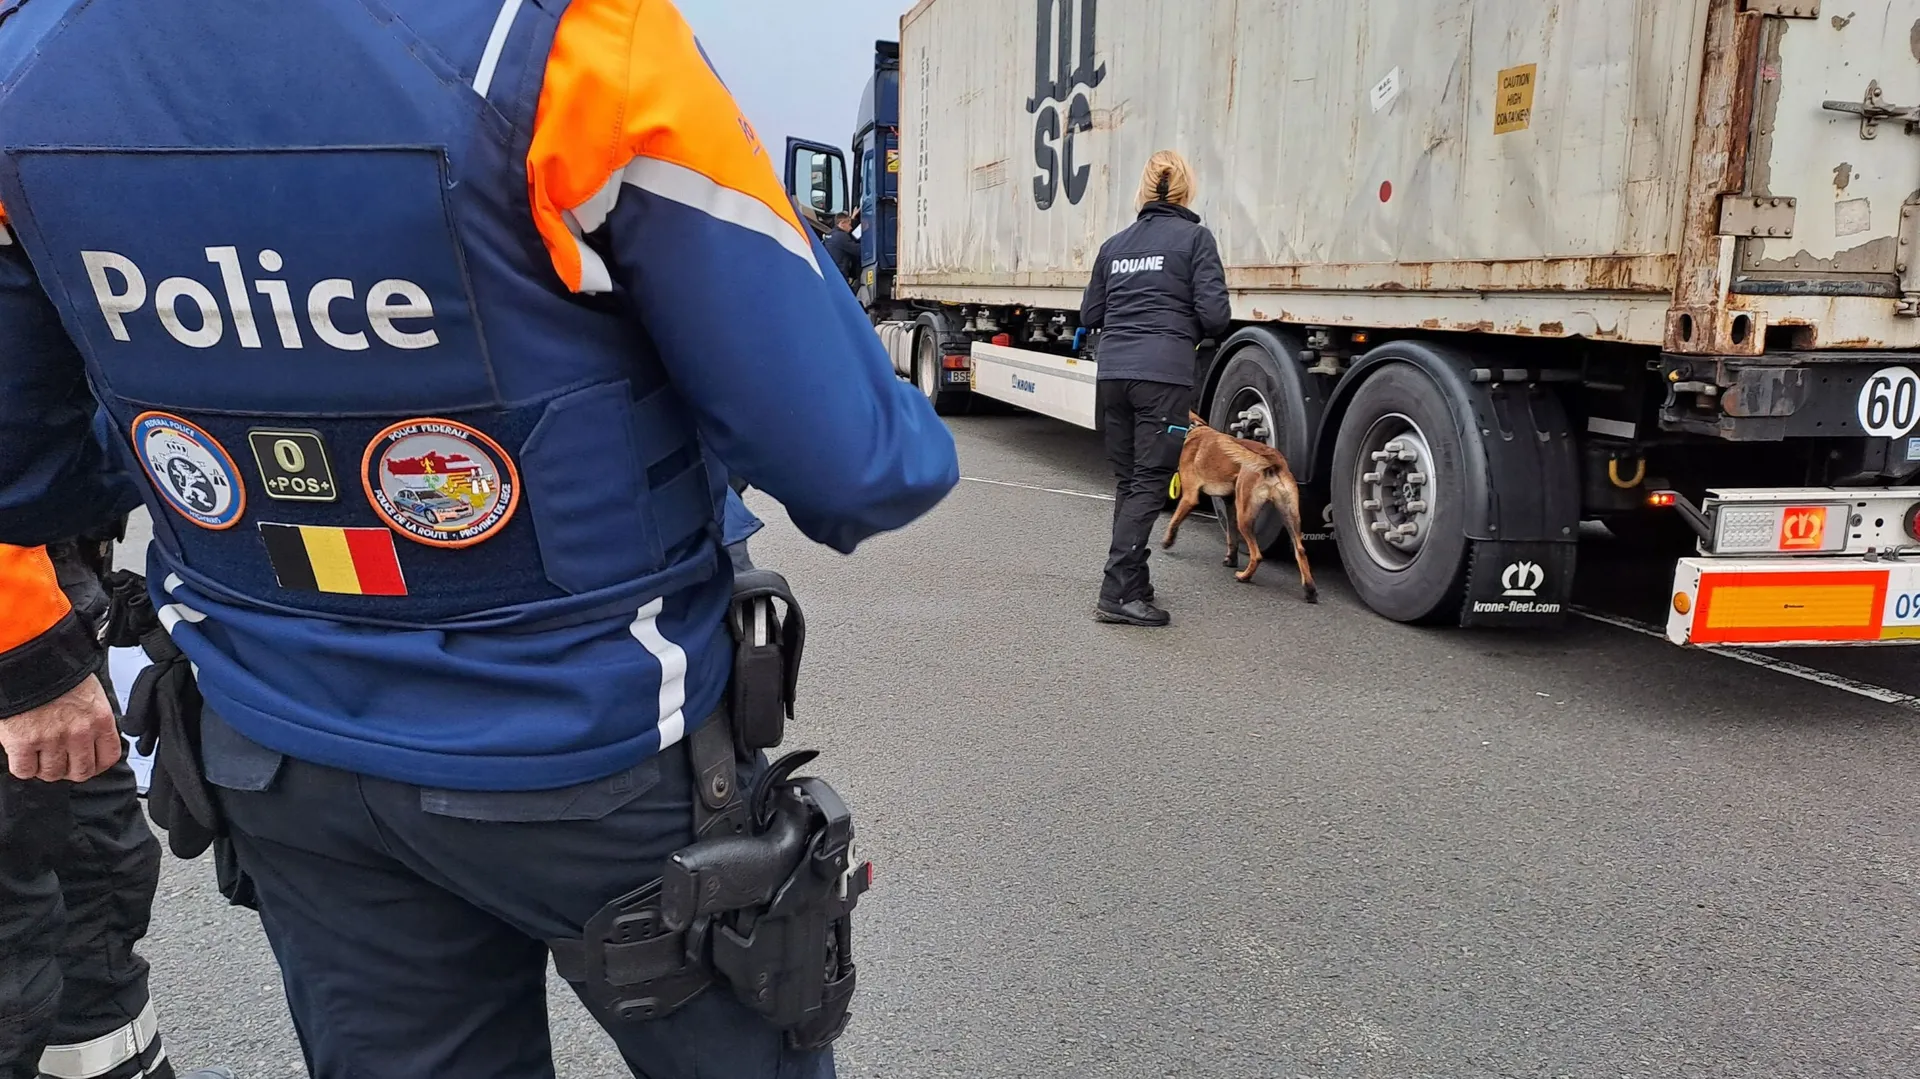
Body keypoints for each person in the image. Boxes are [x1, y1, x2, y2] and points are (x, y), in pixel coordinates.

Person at [0, 2, 958, 1078]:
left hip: (283, 749)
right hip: (590, 740)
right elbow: (854, 460)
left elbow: (22, 467)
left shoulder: (27, 65)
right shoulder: (563, 40)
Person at [0, 542, 239, 1079]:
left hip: (48, 596)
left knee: (100, 873)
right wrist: (22, 670)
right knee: (11, 937)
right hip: (20, 631)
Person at [1079, 150, 1232, 628]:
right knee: (1149, 482)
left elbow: (1090, 315)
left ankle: (1134, 582)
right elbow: (1216, 317)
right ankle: (1115, 591)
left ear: (1143, 190)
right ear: (1187, 189)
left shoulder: (1114, 245)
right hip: (1162, 378)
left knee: (1130, 481)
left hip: (1113, 376)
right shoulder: (1196, 240)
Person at [825, 213, 862, 290]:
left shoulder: (830, 234)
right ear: (842, 224)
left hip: (833, 273)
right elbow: (858, 250)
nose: (851, 227)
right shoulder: (841, 236)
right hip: (840, 275)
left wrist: (853, 218)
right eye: (849, 224)